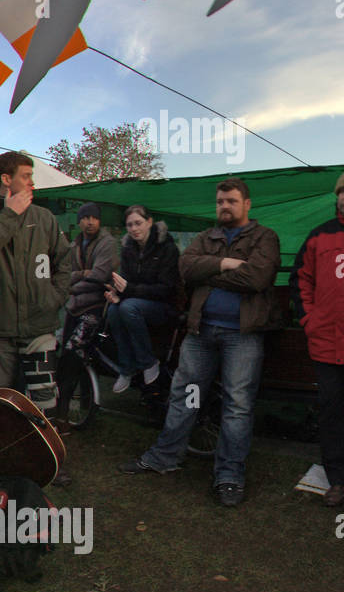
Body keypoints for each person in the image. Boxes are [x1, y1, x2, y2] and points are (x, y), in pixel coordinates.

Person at [123, 177, 284, 507]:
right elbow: (185, 268)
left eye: (232, 201)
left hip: (243, 335)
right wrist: (224, 263)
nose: (224, 206)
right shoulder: (206, 236)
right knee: (186, 396)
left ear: (247, 204)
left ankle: (228, 475)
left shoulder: (264, 237)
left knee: (237, 405)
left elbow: (257, 277)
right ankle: (165, 457)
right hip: (201, 332)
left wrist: (206, 271)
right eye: (220, 201)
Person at [0, 150, 65, 396]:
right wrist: (10, 214)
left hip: (39, 323)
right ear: (6, 180)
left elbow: (64, 261)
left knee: (44, 394)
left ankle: (43, 435)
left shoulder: (44, 218)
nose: (32, 182)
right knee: (7, 397)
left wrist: (55, 298)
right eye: (26, 176)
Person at [48, 204, 119, 430]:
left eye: (94, 218)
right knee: (65, 356)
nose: (90, 222)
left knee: (73, 355)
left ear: (99, 221)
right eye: (85, 218)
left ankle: (64, 416)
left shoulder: (107, 243)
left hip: (96, 308)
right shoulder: (75, 244)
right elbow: (63, 274)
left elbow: (99, 276)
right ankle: (63, 412)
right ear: (79, 222)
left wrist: (71, 287)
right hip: (74, 308)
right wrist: (80, 275)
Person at [104, 204, 182, 397]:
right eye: (129, 225)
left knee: (128, 307)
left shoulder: (167, 248)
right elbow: (127, 283)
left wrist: (128, 291)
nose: (134, 229)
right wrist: (117, 294)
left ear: (149, 222)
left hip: (166, 306)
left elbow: (166, 289)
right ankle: (127, 367)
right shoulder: (128, 248)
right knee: (114, 309)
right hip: (138, 304)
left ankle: (148, 362)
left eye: (138, 223)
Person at [298, 175, 344, 501]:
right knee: (332, 413)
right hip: (327, 344)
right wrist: (309, 320)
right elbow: (300, 279)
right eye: (343, 191)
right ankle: (337, 479)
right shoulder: (319, 236)